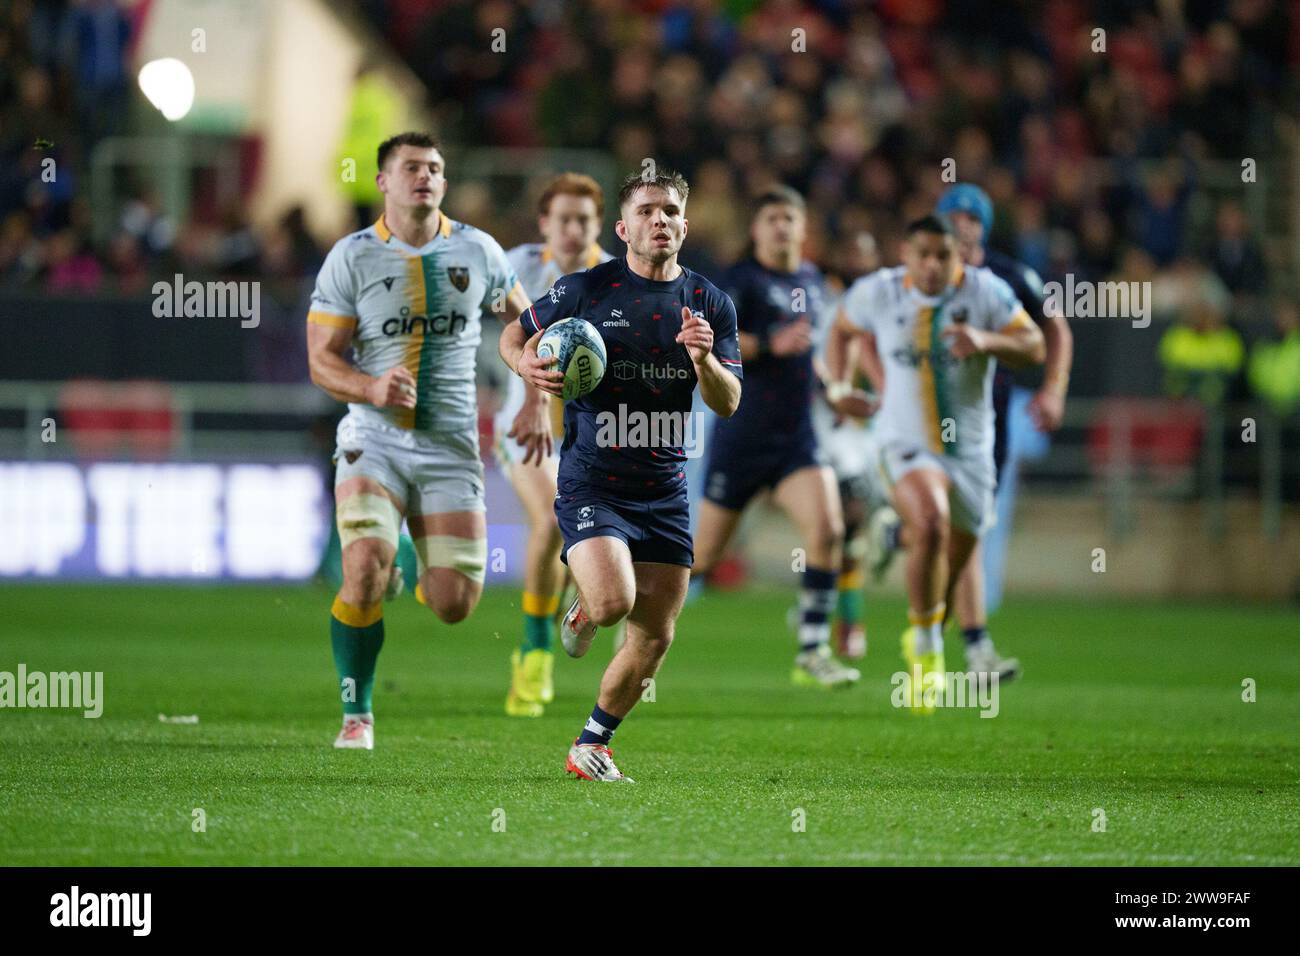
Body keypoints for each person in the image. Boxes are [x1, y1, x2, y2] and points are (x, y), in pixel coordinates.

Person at [499, 168, 742, 781]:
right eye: (647, 211)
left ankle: (592, 745)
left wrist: (704, 360)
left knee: (655, 637)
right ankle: (585, 608)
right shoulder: (585, 289)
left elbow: (729, 401)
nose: (659, 220)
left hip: (666, 491)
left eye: (670, 212)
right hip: (593, 482)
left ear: (685, 225)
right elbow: (513, 333)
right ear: (623, 226)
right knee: (614, 603)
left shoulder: (711, 303)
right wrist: (528, 368)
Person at [306, 132, 541, 750]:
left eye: (436, 167)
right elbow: (321, 360)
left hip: (450, 446)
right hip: (372, 438)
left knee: (454, 603)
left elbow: (529, 326)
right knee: (360, 568)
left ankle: (407, 557)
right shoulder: (351, 257)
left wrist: (538, 396)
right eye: (411, 167)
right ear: (383, 181)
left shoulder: (478, 249)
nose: (426, 177)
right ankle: (357, 714)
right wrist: (370, 386)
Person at [825, 215, 1045, 712]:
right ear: (905, 254)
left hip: (970, 451)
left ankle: (923, 618)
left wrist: (987, 341)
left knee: (962, 546)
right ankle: (926, 648)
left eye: (942, 255)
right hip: (904, 442)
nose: (932, 265)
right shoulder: (879, 292)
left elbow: (1035, 346)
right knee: (931, 520)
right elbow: (841, 331)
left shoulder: (985, 293)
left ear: (957, 256)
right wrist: (840, 389)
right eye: (922, 254)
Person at [693, 185, 864, 687]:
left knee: (829, 529)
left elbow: (809, 353)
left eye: (791, 217)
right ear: (756, 229)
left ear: (803, 227)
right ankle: (626, 611)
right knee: (701, 558)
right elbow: (716, 337)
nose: (782, 227)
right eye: (772, 218)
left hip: (796, 439)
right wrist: (770, 341)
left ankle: (812, 650)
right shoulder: (739, 280)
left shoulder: (812, 281)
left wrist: (834, 391)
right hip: (742, 434)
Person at [496, 173, 613, 717]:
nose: (572, 229)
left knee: (576, 536)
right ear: (544, 223)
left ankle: (570, 607)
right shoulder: (513, 268)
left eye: (583, 220)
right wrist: (530, 398)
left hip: (590, 433)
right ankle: (534, 652)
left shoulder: (617, 277)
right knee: (549, 521)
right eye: (563, 219)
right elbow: (512, 336)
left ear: (599, 225)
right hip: (524, 422)